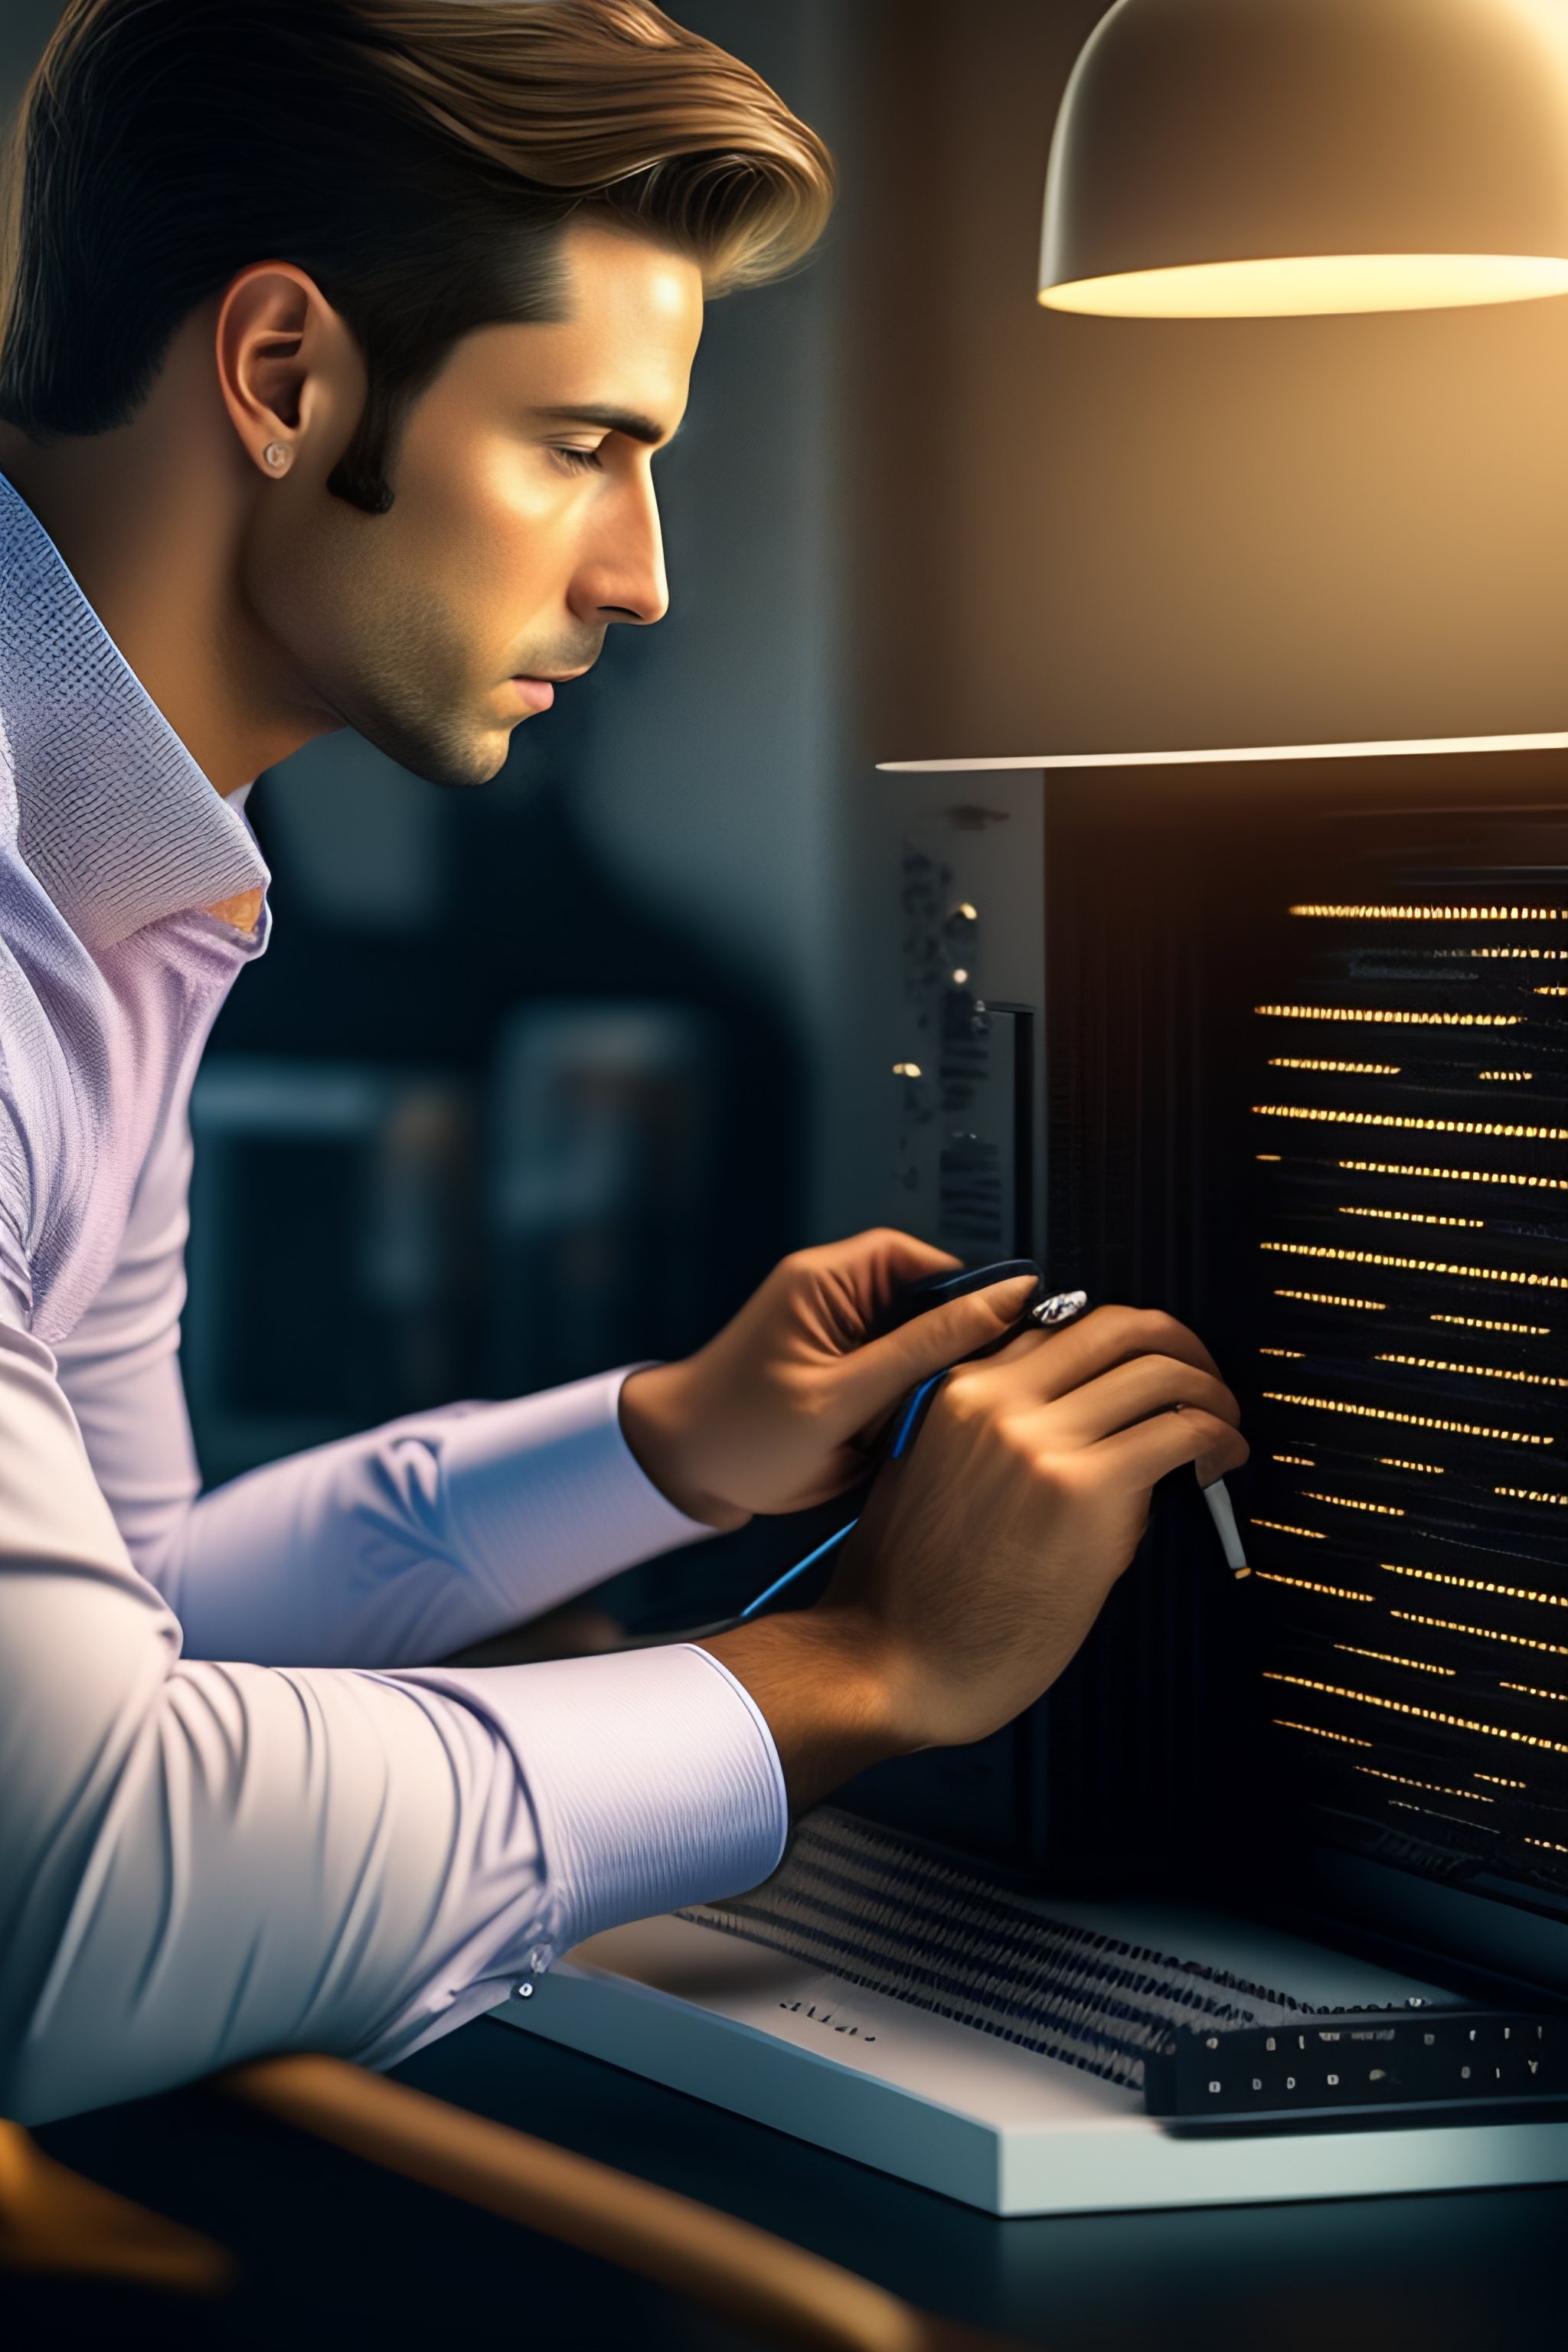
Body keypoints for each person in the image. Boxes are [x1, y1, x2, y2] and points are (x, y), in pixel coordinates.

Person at [0, 0, 1246, 2127]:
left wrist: (667, 1444)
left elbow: (142, 1615)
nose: (640, 576)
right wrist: (864, 1664)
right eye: (581, 445)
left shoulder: (124, 884)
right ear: (285, 375)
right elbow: (66, 1892)